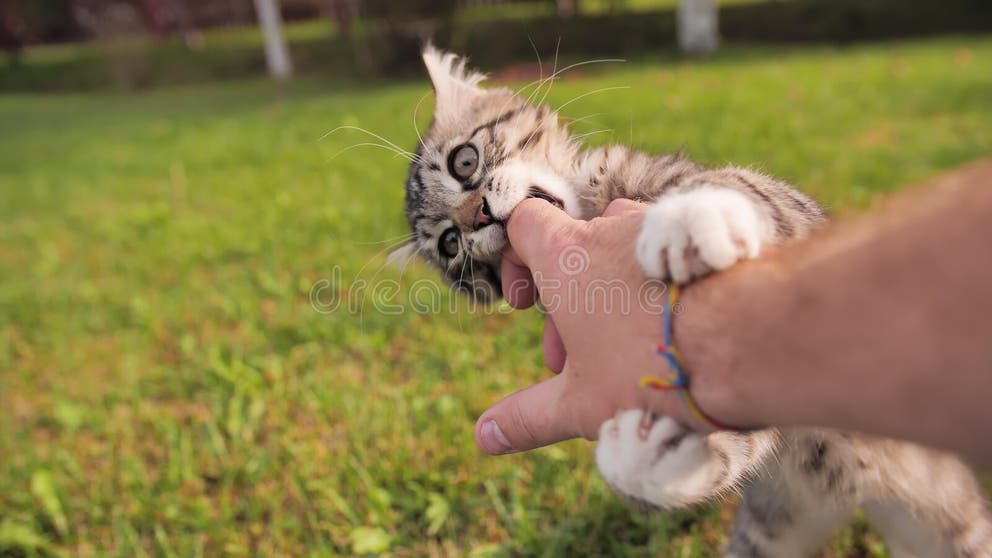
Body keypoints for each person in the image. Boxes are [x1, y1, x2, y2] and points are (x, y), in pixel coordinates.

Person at [474, 159, 992, 467]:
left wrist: (714, 334)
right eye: (452, 241)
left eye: (465, 164)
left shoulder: (618, 174)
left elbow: (798, 220)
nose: (473, 215)